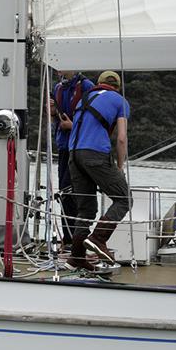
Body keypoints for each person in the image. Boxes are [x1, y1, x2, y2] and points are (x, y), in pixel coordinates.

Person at [66, 70, 131, 271]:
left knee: (86, 209)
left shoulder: (83, 99)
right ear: (117, 87)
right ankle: (98, 238)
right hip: (95, 155)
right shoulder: (120, 101)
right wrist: (119, 168)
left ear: (99, 84)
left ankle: (76, 257)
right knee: (124, 199)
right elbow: (121, 138)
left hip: (73, 156)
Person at [50, 71, 94, 250]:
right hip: (63, 146)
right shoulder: (58, 87)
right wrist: (53, 113)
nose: (59, 70)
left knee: (78, 192)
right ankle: (68, 239)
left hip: (79, 147)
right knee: (65, 192)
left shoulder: (86, 87)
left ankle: (79, 239)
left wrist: (72, 125)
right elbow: (57, 121)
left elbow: (90, 119)